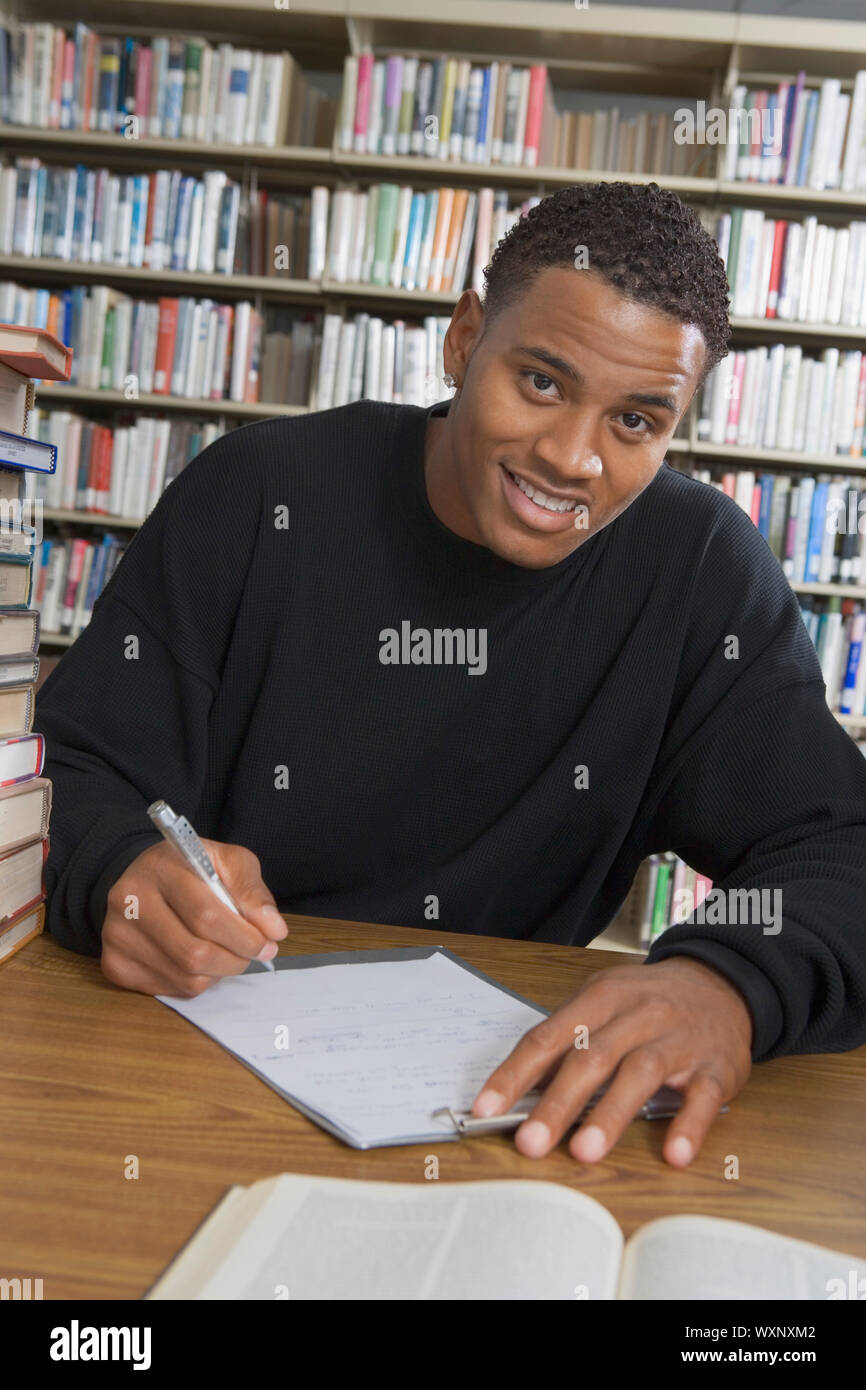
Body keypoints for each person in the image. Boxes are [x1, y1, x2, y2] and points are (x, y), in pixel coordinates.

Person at [36, 182, 866, 1169]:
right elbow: (63, 771)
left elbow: (839, 848)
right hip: (179, 1068)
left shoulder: (697, 572)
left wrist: (729, 983)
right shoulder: (258, 492)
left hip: (496, 1118)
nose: (571, 458)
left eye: (636, 421)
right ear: (464, 339)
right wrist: (118, 869)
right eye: (542, 382)